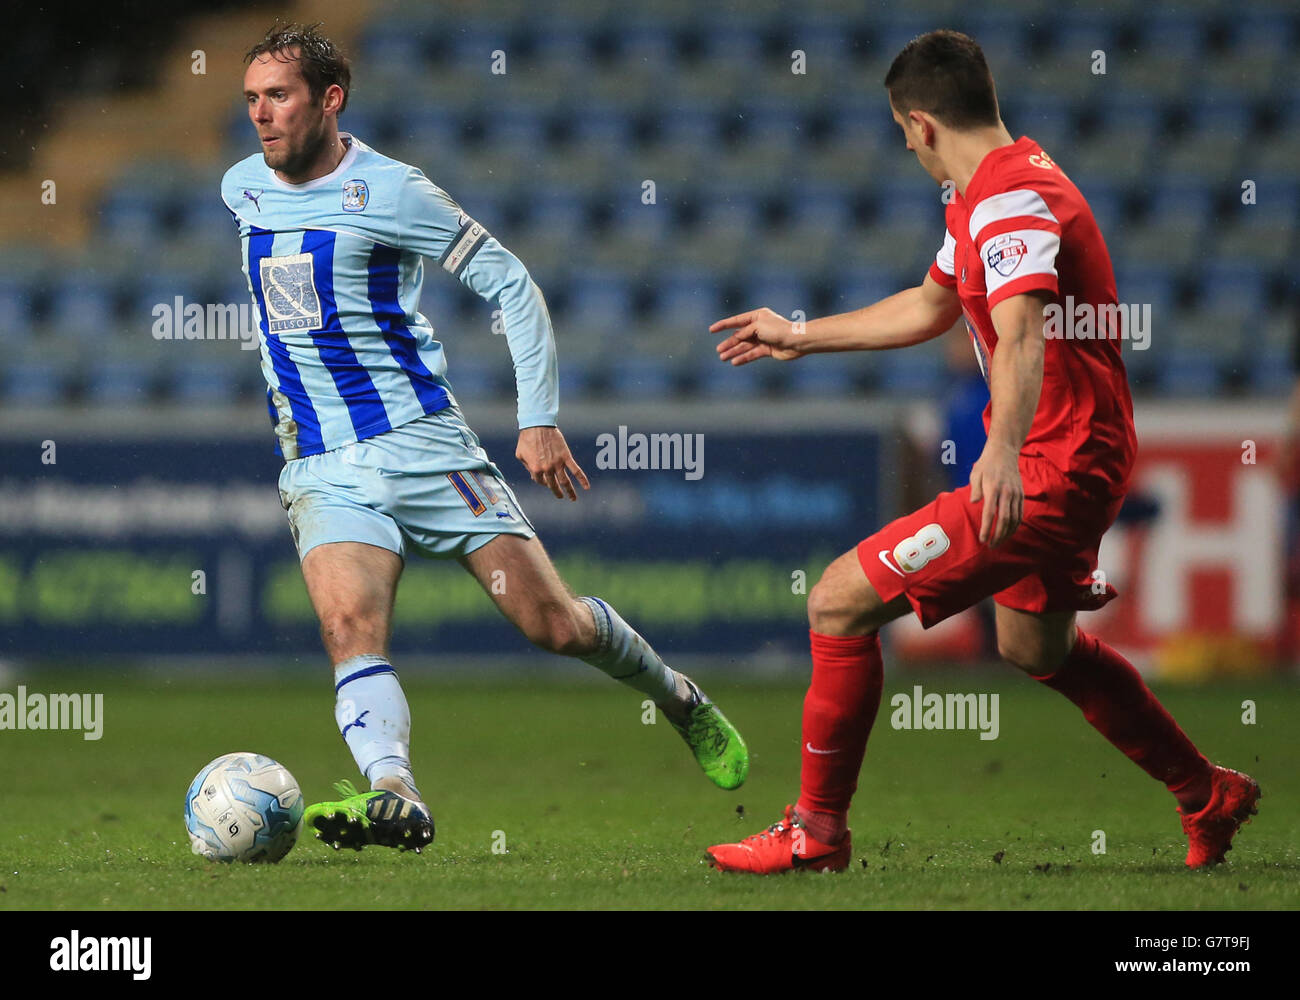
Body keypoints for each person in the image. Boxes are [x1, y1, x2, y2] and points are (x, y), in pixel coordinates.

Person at [704, 30, 1257, 873]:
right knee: (1036, 648)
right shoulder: (990, 193)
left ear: (921, 124)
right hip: (1073, 455)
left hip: (1050, 464)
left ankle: (816, 830)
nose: (907, 149)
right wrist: (800, 335)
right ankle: (1205, 792)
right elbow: (931, 306)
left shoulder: (1007, 201)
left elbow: (1023, 329)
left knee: (837, 602)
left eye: (902, 133)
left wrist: (1000, 449)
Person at [221, 23, 747, 853]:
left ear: (330, 100)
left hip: (423, 444)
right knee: (347, 629)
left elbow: (509, 280)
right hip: (321, 462)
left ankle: (679, 697)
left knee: (556, 627)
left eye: (278, 96)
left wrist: (537, 416)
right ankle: (395, 791)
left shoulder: (395, 192)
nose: (260, 114)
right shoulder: (240, 186)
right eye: (250, 98)